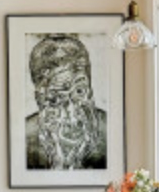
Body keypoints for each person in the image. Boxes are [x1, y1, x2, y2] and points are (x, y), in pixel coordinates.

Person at [24, 34, 107, 170]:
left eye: (79, 92)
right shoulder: (25, 139)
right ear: (41, 101)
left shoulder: (109, 130)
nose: (72, 114)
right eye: (56, 100)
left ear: (90, 90)